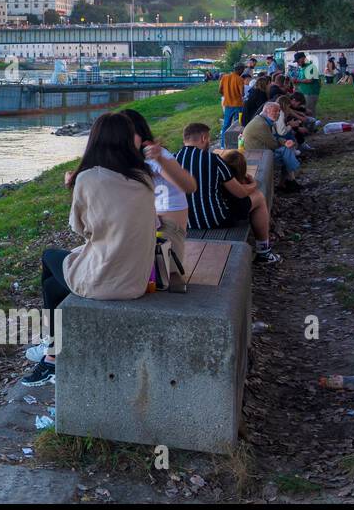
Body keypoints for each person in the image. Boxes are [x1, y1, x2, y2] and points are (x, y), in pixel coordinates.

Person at [22, 112, 158, 387]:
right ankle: (51, 351)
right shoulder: (143, 176)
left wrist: (73, 187)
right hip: (138, 279)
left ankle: (51, 355)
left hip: (106, 280)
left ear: (95, 140)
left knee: (49, 258)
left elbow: (81, 230)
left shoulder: (88, 178)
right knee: (53, 286)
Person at [177, 123, 280, 262]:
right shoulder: (214, 160)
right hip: (215, 220)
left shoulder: (171, 160)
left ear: (185, 139)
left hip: (185, 222)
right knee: (259, 197)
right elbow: (240, 193)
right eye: (207, 139)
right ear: (203, 138)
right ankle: (264, 252)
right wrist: (254, 184)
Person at [123, 108, 197, 264]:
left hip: (166, 224)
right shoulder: (122, 157)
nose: (123, 139)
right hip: (143, 222)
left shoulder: (155, 155)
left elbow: (189, 186)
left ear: (140, 133)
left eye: (129, 133)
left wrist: (160, 160)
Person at [242, 101, 303, 191]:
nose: (278, 113)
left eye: (278, 111)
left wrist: (284, 142)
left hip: (261, 151)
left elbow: (273, 138)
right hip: (259, 154)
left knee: (286, 151)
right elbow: (273, 144)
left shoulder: (261, 120)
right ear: (266, 111)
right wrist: (285, 143)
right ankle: (291, 179)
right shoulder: (261, 124)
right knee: (286, 152)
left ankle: (289, 181)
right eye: (275, 111)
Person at [219, 63, 245, 139]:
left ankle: (223, 144)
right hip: (238, 105)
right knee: (238, 125)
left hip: (227, 104)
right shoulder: (239, 79)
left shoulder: (224, 77)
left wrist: (227, 94)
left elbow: (220, 90)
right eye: (242, 70)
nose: (243, 72)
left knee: (226, 124)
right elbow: (242, 93)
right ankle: (235, 141)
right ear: (240, 70)